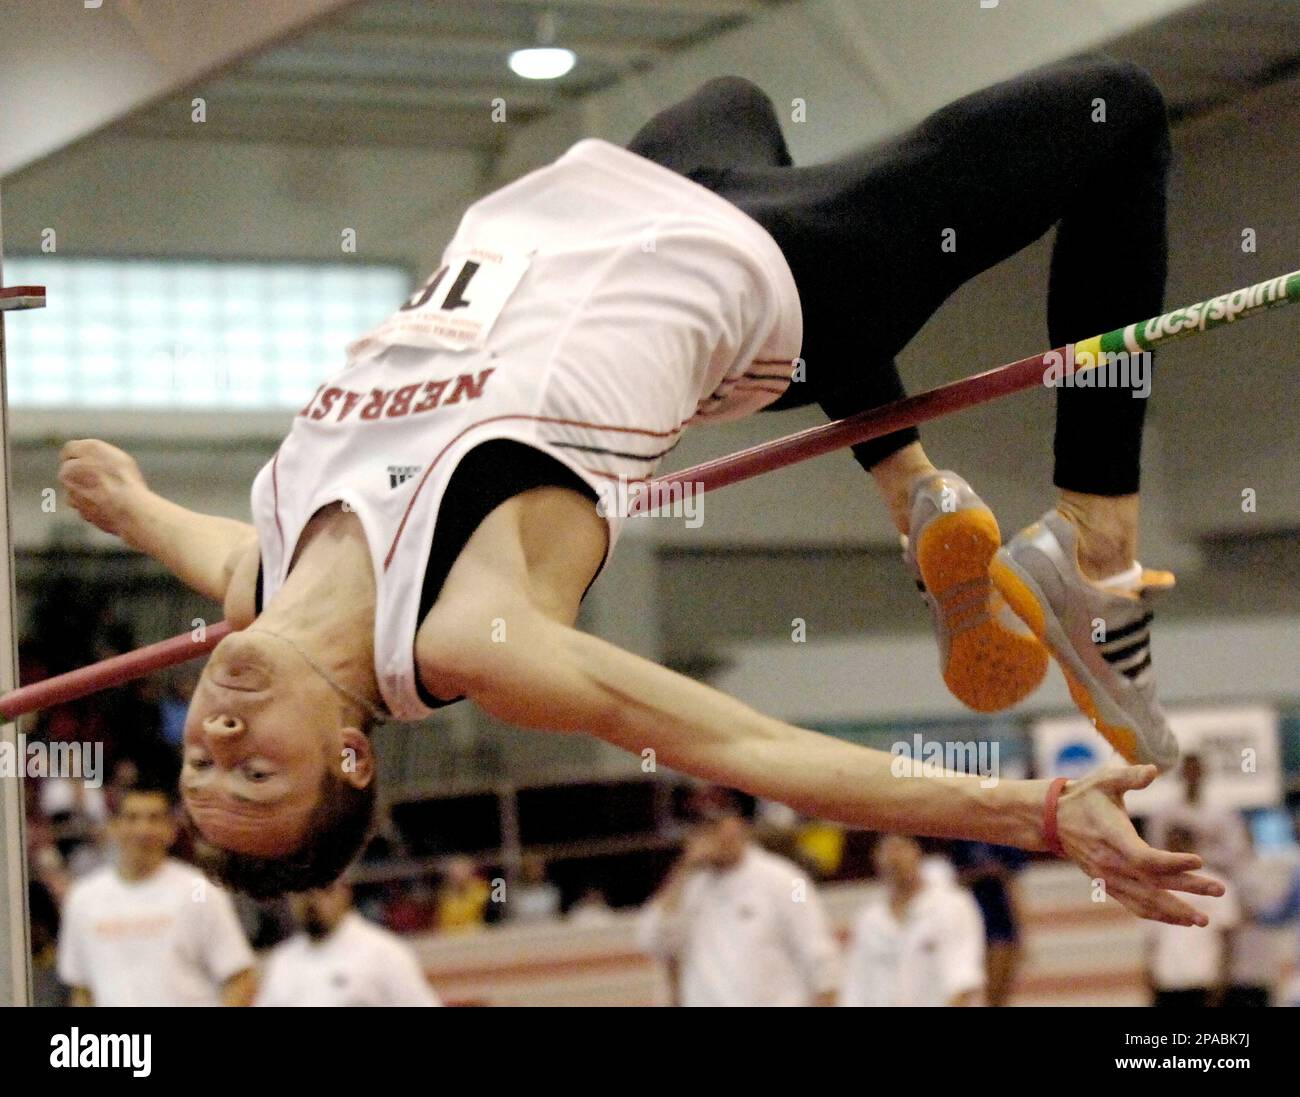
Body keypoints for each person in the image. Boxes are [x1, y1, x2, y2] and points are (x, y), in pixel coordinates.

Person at [57, 56, 1222, 924]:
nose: (212, 733)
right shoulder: (477, 633)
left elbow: (196, 547)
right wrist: (1028, 811)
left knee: (736, 97)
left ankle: (910, 487)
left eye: (204, 761)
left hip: (611, 197)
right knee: (1115, 110)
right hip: (775, 269)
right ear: (351, 757)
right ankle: (1092, 539)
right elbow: (746, 745)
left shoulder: (260, 578)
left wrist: (127, 499)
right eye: (255, 764)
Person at [57, 785, 256, 1006]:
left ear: (171, 830)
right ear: (113, 827)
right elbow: (82, 989)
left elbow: (240, 978)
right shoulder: (83, 898)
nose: (143, 829)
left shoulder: (200, 891)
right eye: (132, 818)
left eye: (154, 818)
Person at [637, 790, 838, 1006]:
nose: (708, 835)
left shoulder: (787, 880)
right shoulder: (689, 887)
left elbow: (821, 960)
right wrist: (684, 869)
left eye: (716, 825)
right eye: (700, 827)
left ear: (739, 823)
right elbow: (651, 941)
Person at [841, 836, 985, 1007]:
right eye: (887, 852)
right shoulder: (869, 920)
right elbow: (856, 989)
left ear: (917, 852)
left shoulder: (953, 906)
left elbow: (963, 979)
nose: (894, 860)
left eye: (900, 849)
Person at [254, 878, 441, 1006]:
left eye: (323, 890)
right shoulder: (282, 960)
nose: (311, 901)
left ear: (345, 891)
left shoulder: (383, 953)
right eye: (301, 892)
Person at [1144, 826, 1239, 1007]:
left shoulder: (1214, 884)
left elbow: (1228, 937)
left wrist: (1223, 980)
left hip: (1204, 976)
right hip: (1168, 977)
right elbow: (1152, 940)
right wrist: (1150, 977)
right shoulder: (1156, 888)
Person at [949, 840, 1029, 1006]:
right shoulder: (962, 841)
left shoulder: (1005, 840)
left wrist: (1022, 932)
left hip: (1000, 919)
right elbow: (955, 879)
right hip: (973, 918)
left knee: (999, 990)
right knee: (979, 987)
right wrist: (982, 872)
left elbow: (1013, 885)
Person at [1146, 753, 1251, 878]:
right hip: (1175, 878)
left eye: (1196, 770)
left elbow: (1237, 851)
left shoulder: (1223, 812)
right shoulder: (1164, 813)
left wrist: (1201, 855)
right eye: (1189, 770)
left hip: (1217, 876)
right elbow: (1155, 849)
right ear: (1181, 773)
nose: (1193, 775)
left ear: (1204, 772)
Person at [507, 853, 562, 924]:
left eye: (538, 867)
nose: (535, 871)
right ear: (524, 870)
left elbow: (556, 917)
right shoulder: (515, 895)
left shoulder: (551, 892)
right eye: (530, 868)